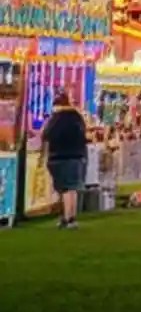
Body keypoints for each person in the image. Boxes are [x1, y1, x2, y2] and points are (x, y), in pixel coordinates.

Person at [40, 93, 88, 229]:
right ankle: (71, 217)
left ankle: (67, 218)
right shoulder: (78, 118)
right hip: (76, 156)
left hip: (59, 156)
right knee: (72, 188)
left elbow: (46, 136)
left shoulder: (56, 119)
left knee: (64, 189)